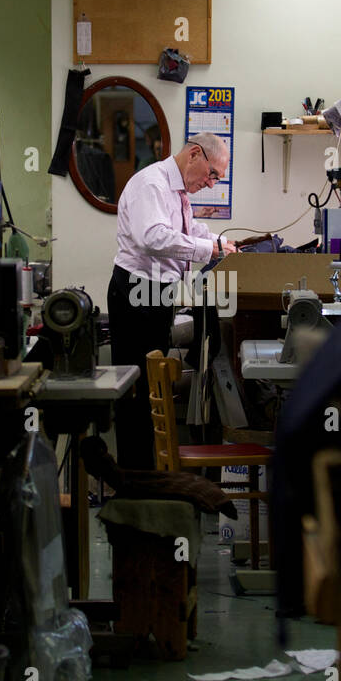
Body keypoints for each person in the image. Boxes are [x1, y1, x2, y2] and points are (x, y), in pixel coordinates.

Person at [108, 132, 236, 470]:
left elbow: (185, 228)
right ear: (195, 154)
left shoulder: (177, 190)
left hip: (157, 293)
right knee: (136, 389)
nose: (211, 184)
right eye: (213, 175)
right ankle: (134, 482)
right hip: (136, 292)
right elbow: (153, 237)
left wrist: (217, 240)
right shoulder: (152, 184)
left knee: (152, 385)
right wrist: (208, 249)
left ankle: (148, 474)